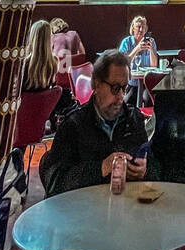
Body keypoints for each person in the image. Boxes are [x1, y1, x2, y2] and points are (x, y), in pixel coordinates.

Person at [39, 51, 160, 197]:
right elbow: (54, 182)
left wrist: (145, 170)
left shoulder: (134, 120)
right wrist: (101, 168)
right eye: (115, 88)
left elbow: (155, 167)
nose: (121, 96)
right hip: (84, 211)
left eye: (124, 88)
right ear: (96, 84)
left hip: (125, 209)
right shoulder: (74, 125)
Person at [23, 19, 56, 92]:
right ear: (49, 38)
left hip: (26, 102)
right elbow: (53, 85)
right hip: (45, 102)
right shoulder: (54, 61)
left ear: (32, 37)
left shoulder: (24, 62)